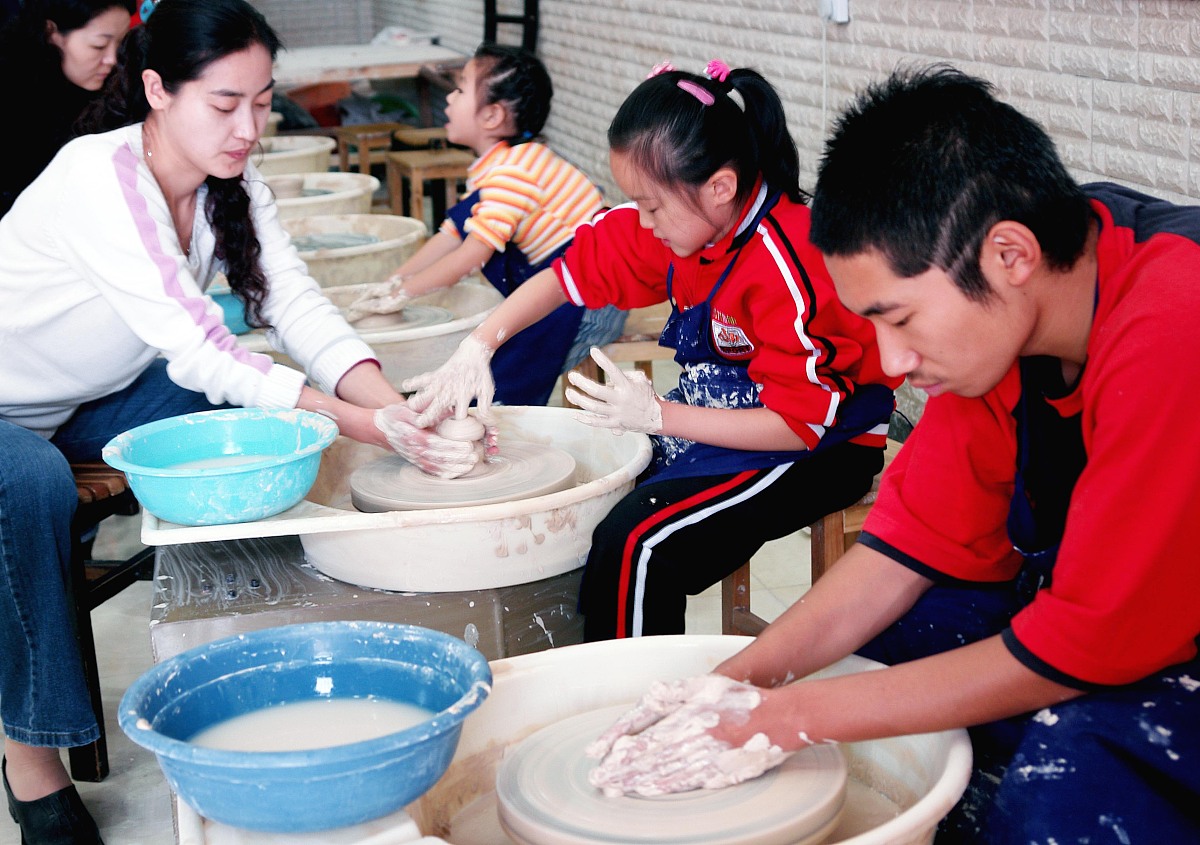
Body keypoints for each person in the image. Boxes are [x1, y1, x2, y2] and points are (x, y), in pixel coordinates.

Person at [583, 65, 1200, 843]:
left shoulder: (1177, 321)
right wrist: (733, 688)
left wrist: (788, 718)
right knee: (877, 659)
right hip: (1111, 608)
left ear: (1010, 255)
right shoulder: (1017, 311)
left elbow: (1086, 644)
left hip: (1157, 630)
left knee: (1070, 777)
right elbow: (904, 549)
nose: (892, 362)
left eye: (899, 317)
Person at [0, 1, 475, 842]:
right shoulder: (97, 175)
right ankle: (29, 758)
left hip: (79, 397)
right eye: (225, 104)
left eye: (262, 100)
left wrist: (391, 409)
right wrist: (353, 423)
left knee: (256, 415)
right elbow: (199, 346)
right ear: (155, 89)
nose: (250, 126)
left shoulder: (230, 180)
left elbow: (296, 305)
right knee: (33, 479)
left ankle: (238, 637)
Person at [402, 60, 900, 641]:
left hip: (819, 446)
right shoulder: (679, 219)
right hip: (726, 417)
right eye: (633, 200)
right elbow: (566, 277)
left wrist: (661, 417)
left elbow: (799, 424)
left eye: (651, 206)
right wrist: (477, 346)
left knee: (640, 542)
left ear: (721, 187)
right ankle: (580, 662)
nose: (640, 220)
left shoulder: (789, 262)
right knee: (585, 497)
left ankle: (634, 701)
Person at [347, 42, 626, 407]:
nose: (449, 99)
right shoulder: (499, 167)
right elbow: (449, 237)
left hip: (589, 304)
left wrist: (404, 295)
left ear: (492, 117)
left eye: (461, 89)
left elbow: (470, 255)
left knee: (491, 381)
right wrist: (389, 285)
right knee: (467, 224)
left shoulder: (514, 171)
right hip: (565, 287)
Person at [0, 0, 135, 218]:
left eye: (119, 45)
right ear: (50, 32)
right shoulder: (11, 99)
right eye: (98, 46)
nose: (112, 60)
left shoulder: (113, 87)